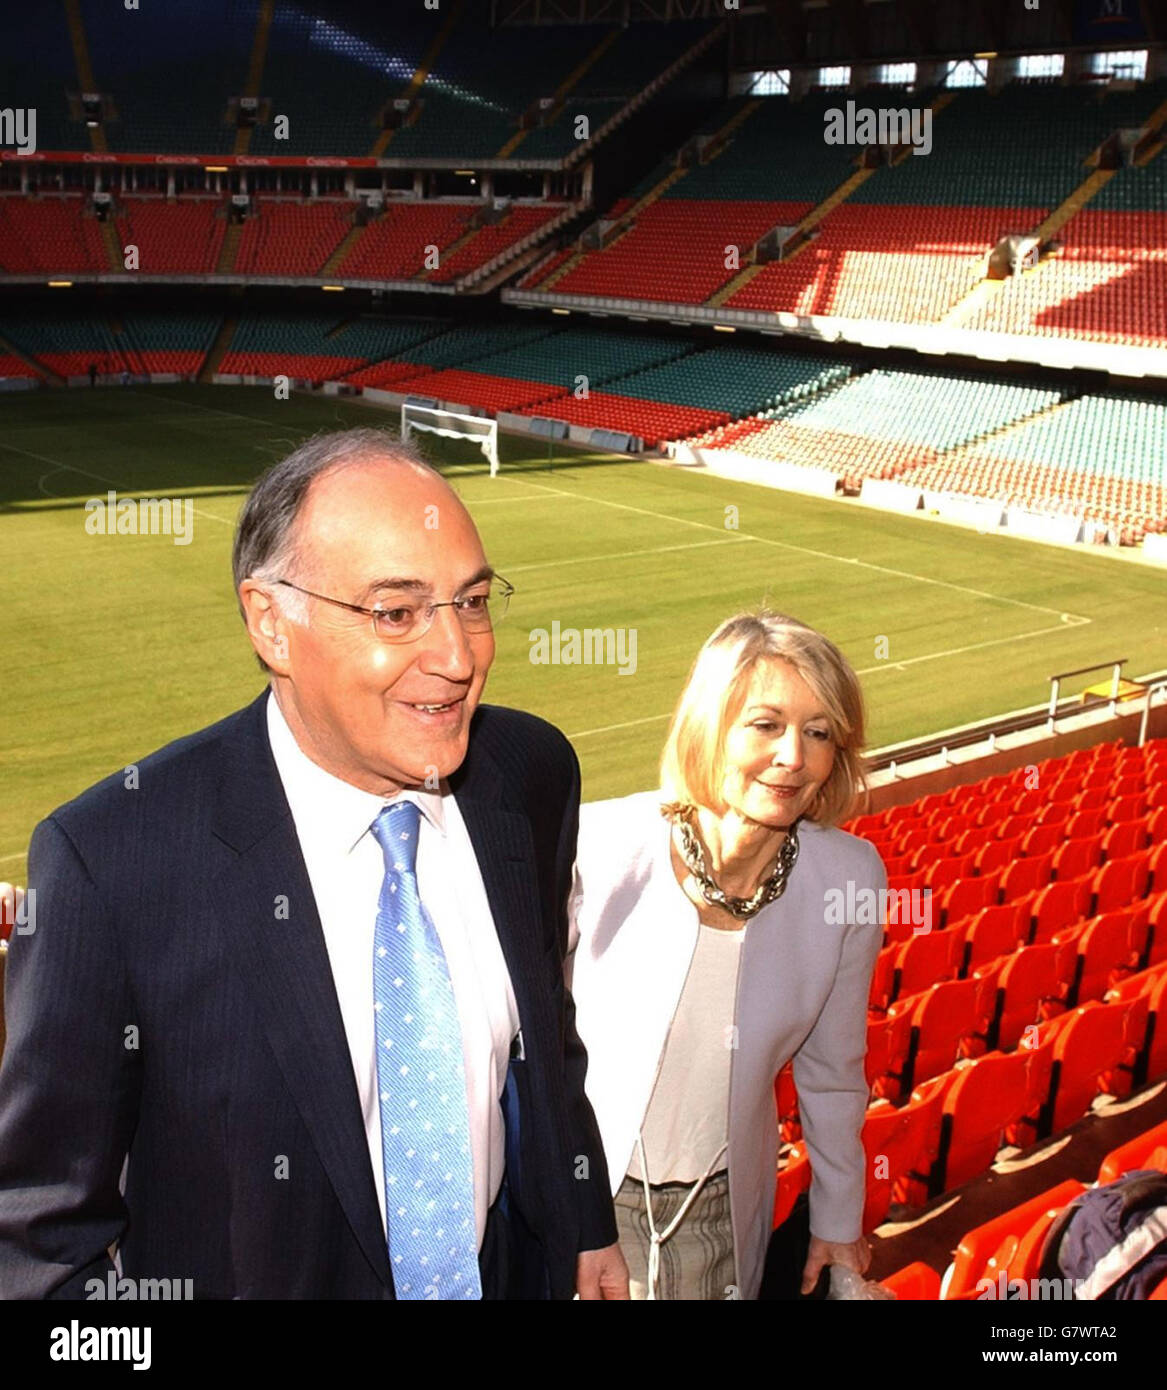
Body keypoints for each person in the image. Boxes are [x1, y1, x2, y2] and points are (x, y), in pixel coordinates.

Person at [0, 426, 627, 1301]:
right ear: (272, 621)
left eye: (473, 602)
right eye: (395, 612)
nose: (458, 658)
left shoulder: (530, 774)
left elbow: (546, 1034)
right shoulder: (114, 863)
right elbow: (37, 1243)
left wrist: (584, 1215)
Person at [567, 611, 886, 1300]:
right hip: (577, 1201)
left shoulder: (850, 877)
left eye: (818, 732)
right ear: (709, 727)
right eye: (765, 724)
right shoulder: (592, 849)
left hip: (720, 1211)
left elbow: (833, 1075)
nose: (792, 757)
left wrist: (836, 1218)